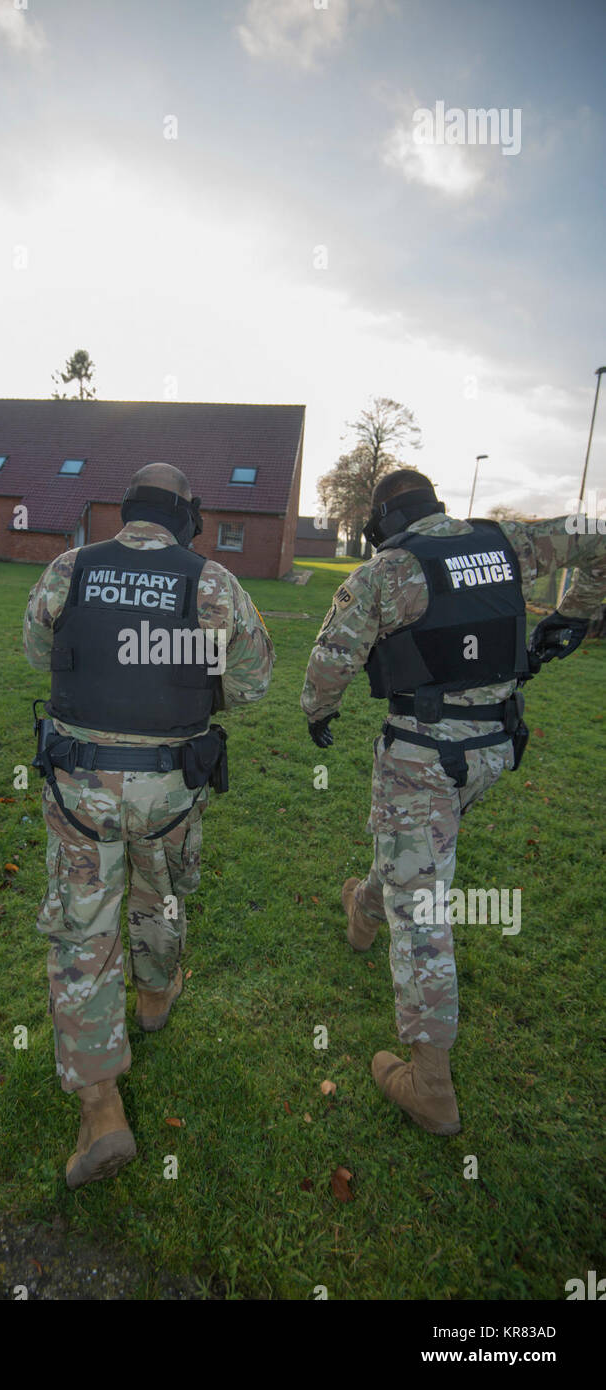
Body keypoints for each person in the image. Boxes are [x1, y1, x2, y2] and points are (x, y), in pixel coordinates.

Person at [301, 469, 606, 1135]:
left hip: (420, 755)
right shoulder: (505, 542)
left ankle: (430, 1084)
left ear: (381, 519)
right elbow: (596, 538)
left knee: (422, 906)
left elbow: (331, 659)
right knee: (416, 855)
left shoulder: (385, 572)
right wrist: (573, 616)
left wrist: (316, 711)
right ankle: (361, 911)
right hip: (492, 749)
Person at [24, 462, 274, 1187]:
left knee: (83, 926)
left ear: (125, 512)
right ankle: (156, 998)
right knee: (159, 891)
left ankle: (100, 1108)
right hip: (169, 781)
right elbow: (252, 682)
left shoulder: (70, 568)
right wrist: (184, 678)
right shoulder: (210, 581)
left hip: (80, 781)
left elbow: (38, 652)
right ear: (183, 517)